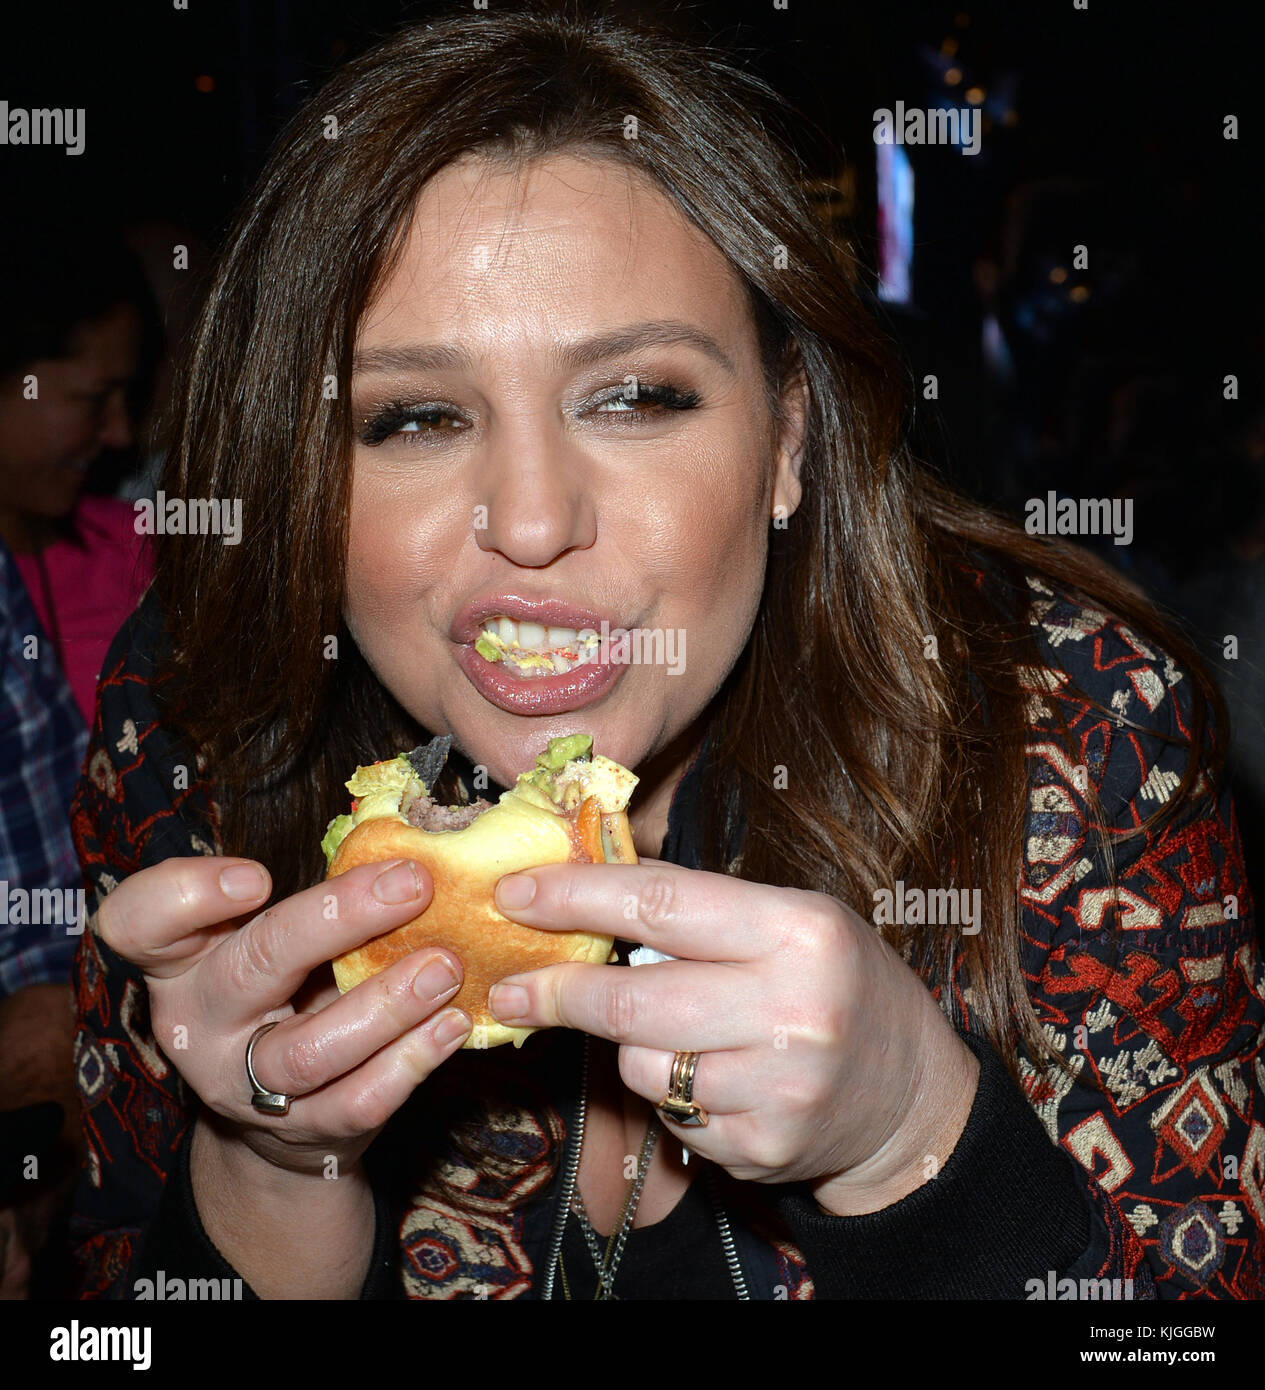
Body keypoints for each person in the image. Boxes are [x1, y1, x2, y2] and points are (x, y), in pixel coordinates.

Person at [68, 5, 1261, 1300]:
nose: (528, 522)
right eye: (412, 416)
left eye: (634, 396)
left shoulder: (1071, 739)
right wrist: (270, 1167)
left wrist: (916, 1136)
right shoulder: (196, 743)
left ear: (789, 441)